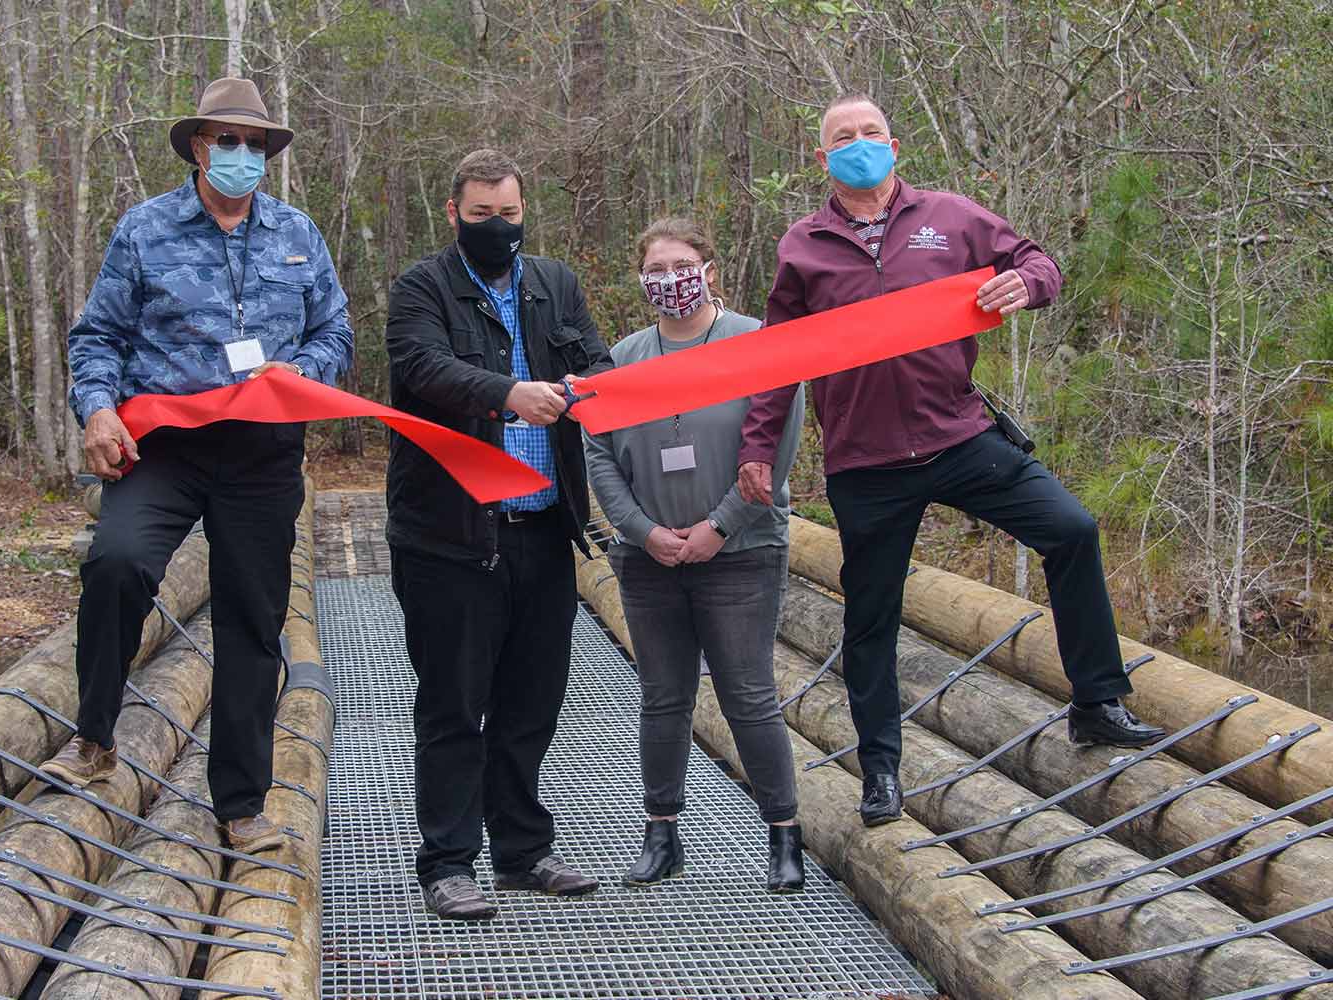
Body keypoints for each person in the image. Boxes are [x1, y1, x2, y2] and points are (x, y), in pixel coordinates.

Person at [737, 93, 1165, 829]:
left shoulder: (951, 217)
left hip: (959, 437)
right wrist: (756, 448)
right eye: (845, 137)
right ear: (822, 158)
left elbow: (1038, 262)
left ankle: (1097, 701)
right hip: (865, 463)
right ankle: (880, 770)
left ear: (894, 145)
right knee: (871, 616)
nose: (860, 144)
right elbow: (778, 361)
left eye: (871, 132)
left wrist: (1027, 284)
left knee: (1072, 530)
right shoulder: (802, 247)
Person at [47, 78, 353, 854]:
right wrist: (97, 409)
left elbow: (336, 334)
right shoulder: (145, 229)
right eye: (229, 141)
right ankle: (94, 735)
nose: (244, 154)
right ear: (197, 146)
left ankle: (241, 805)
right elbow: (98, 337)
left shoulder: (297, 233)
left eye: (256, 144)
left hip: (263, 453)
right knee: (117, 564)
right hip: (166, 446)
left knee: (253, 617)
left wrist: (301, 372)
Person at [385, 148, 613, 920]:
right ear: (453, 213)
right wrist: (508, 393)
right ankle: (448, 862)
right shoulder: (422, 287)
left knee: (531, 700)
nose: (497, 226)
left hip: (544, 524)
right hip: (451, 532)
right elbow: (423, 369)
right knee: (454, 703)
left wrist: (589, 386)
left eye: (509, 213)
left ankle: (522, 850)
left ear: (525, 210)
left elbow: (595, 358)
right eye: (482, 214)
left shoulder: (555, 284)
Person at [585, 218, 806, 892]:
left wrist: (719, 526)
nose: (669, 279)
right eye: (656, 269)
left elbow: (778, 448)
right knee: (663, 696)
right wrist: (640, 530)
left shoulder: (756, 342)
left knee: (747, 694)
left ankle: (784, 835)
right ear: (641, 278)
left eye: (681, 265)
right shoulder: (623, 357)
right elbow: (598, 450)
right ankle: (661, 834)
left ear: (709, 269)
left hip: (741, 550)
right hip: (647, 555)